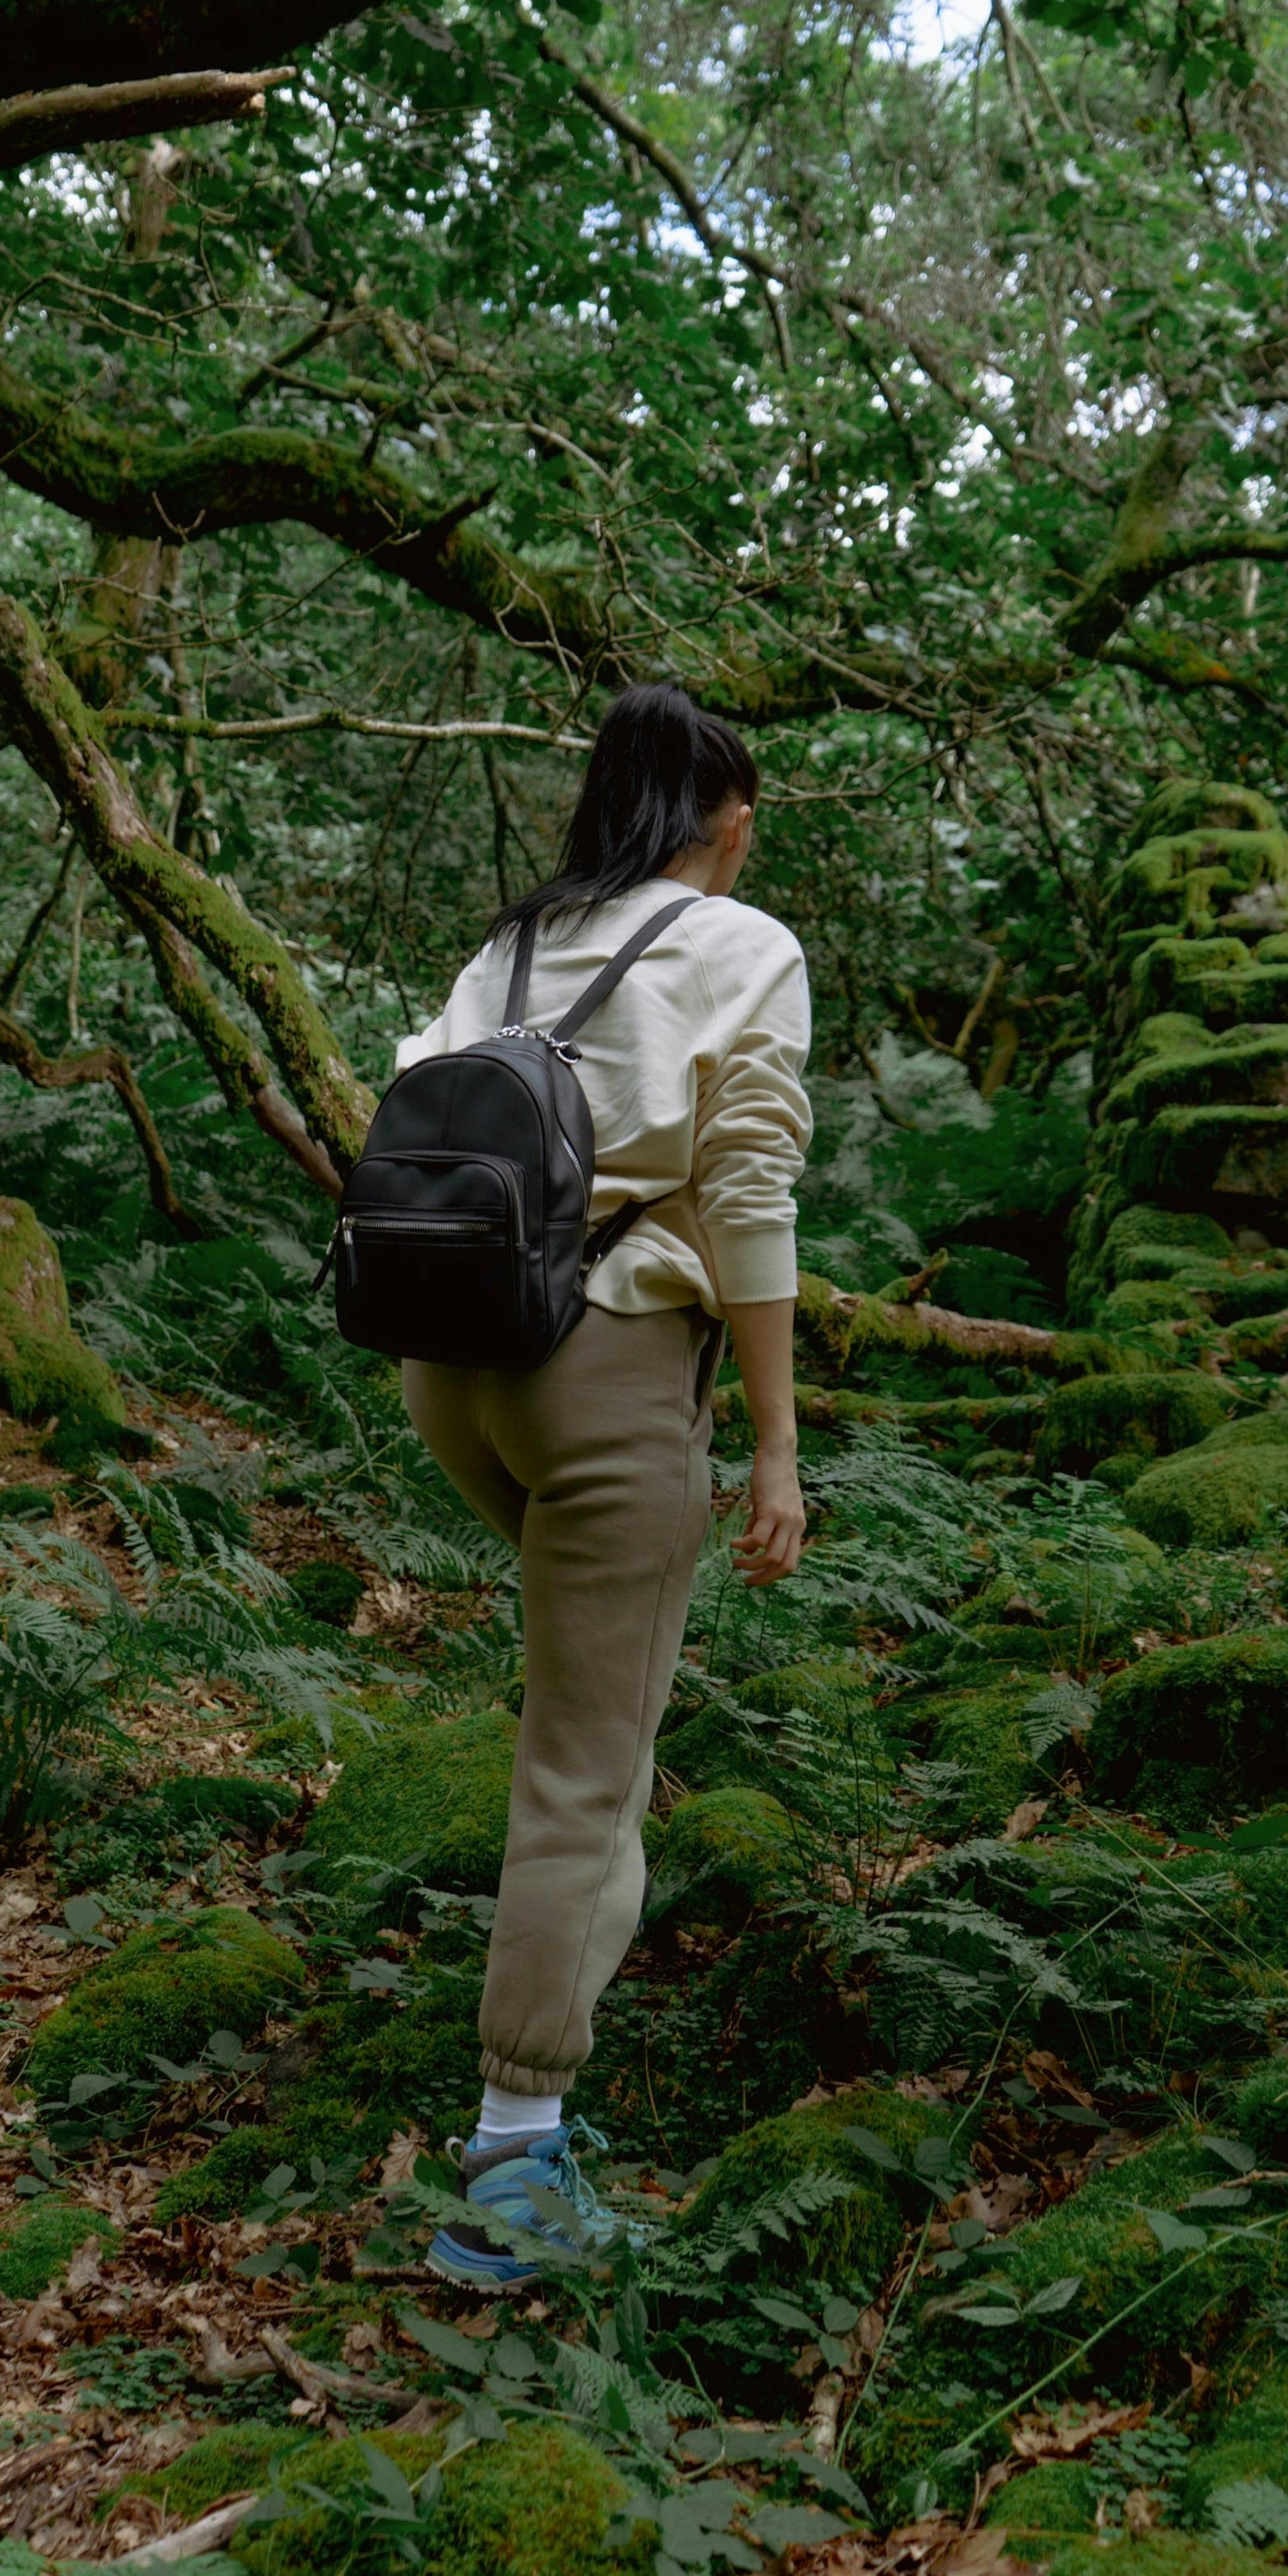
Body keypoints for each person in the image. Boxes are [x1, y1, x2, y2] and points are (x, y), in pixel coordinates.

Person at [394, 681, 811, 2286]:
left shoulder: (512, 946)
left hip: (453, 1370)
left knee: (589, 1712)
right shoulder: (744, 946)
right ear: (731, 823)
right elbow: (749, 1194)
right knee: (586, 1771)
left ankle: (545, 2036)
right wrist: (776, 1435)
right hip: (610, 1376)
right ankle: (512, 2175)